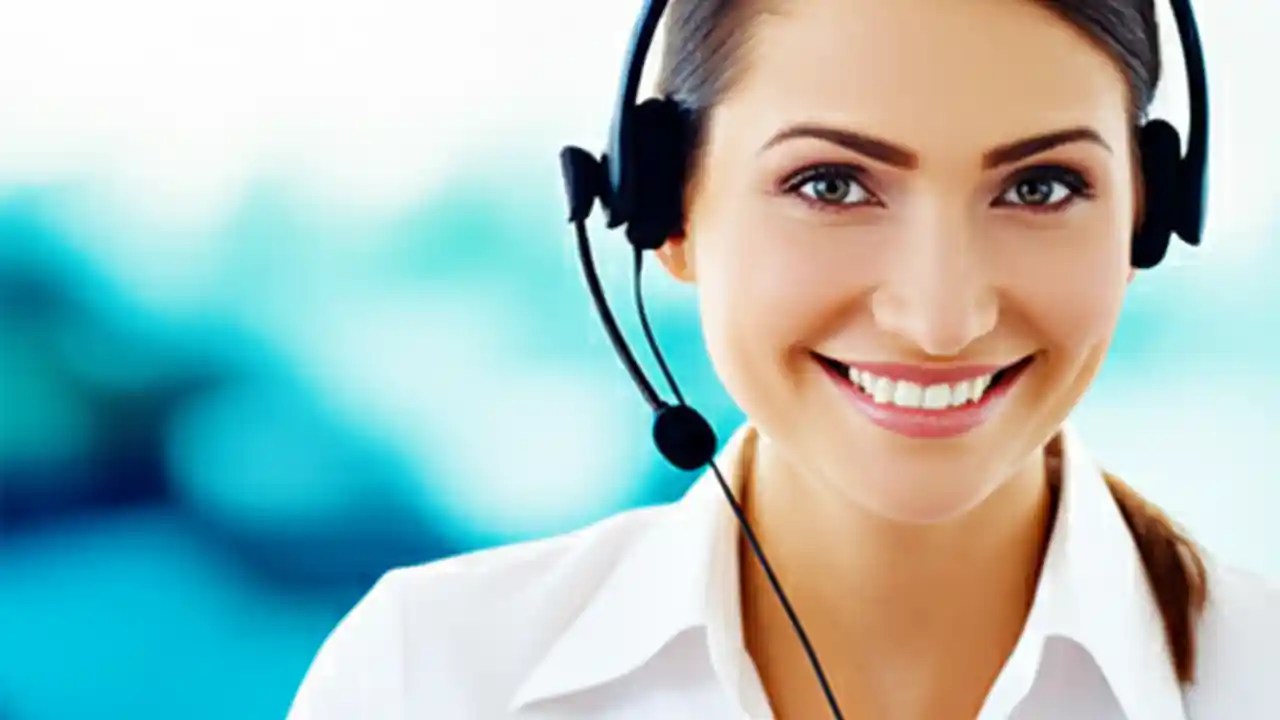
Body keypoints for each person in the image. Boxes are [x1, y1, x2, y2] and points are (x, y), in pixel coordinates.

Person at [286, 0, 1279, 717]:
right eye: (830, 184)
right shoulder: (431, 677)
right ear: (667, 211)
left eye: (1040, 188)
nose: (941, 319)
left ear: (1147, 214)